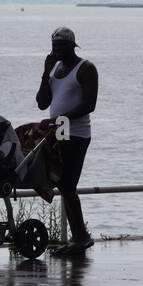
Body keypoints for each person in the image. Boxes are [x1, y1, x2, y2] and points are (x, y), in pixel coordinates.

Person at [35, 27, 99, 256]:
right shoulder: (54, 69)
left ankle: (81, 237)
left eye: (62, 45)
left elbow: (89, 104)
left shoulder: (86, 68)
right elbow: (42, 103)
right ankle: (79, 236)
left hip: (77, 133)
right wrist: (45, 73)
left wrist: (59, 119)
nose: (57, 50)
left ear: (73, 45)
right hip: (58, 132)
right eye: (54, 46)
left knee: (68, 184)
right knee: (61, 183)